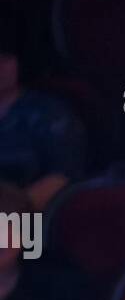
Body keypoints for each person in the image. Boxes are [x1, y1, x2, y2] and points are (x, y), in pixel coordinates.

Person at [0, 25, 86, 209]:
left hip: (23, 219)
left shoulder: (48, 113)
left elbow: (63, 174)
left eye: (4, 59)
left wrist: (15, 207)